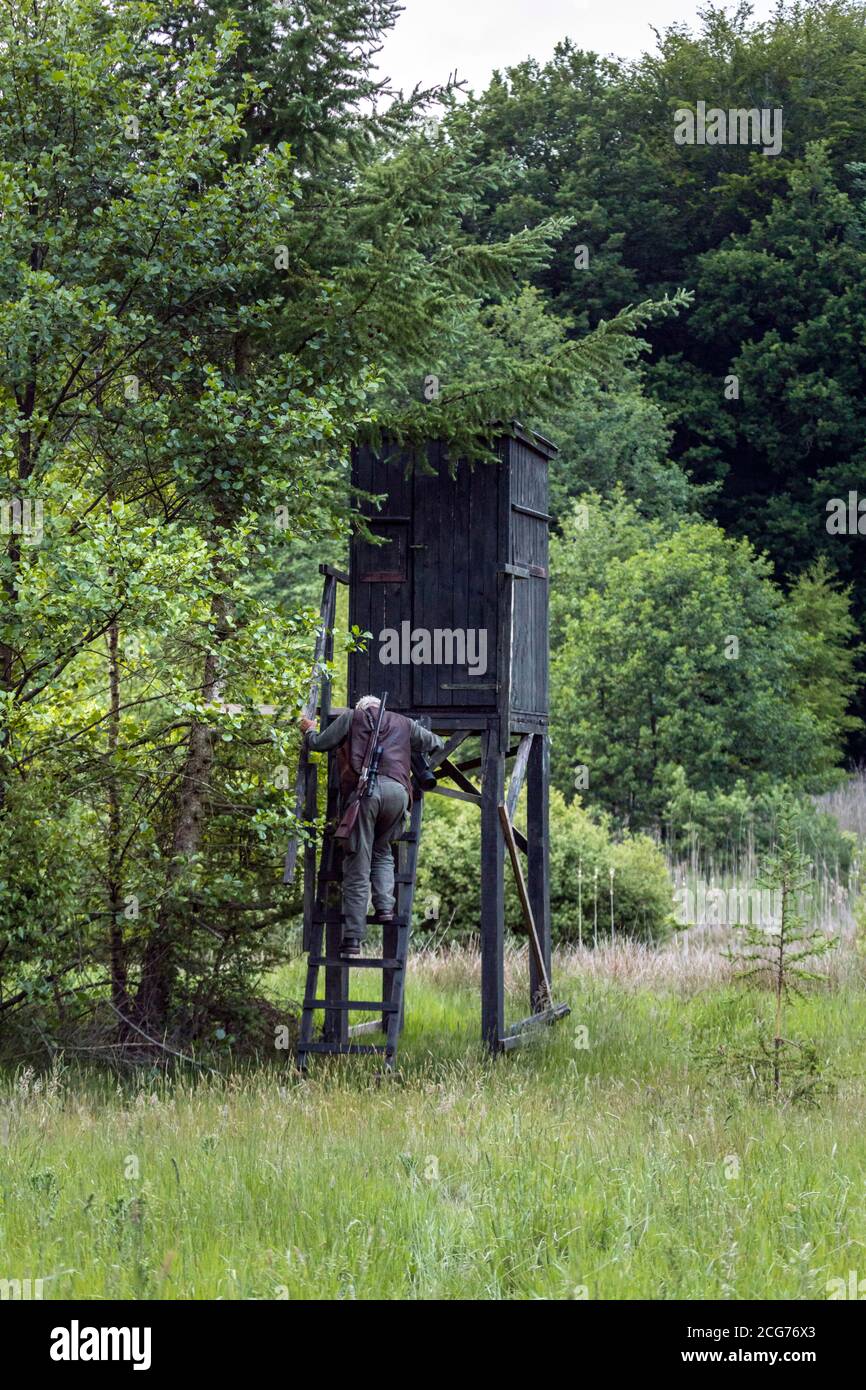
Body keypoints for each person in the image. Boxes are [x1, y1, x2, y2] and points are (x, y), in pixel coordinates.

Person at [300, 696, 444, 956]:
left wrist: (309, 730)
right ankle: (385, 907)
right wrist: (410, 752)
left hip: (366, 796)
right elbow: (436, 743)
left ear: (361, 707)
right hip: (399, 795)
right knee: (382, 851)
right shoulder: (404, 723)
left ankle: (353, 940)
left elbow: (320, 744)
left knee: (357, 864)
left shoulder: (352, 717)